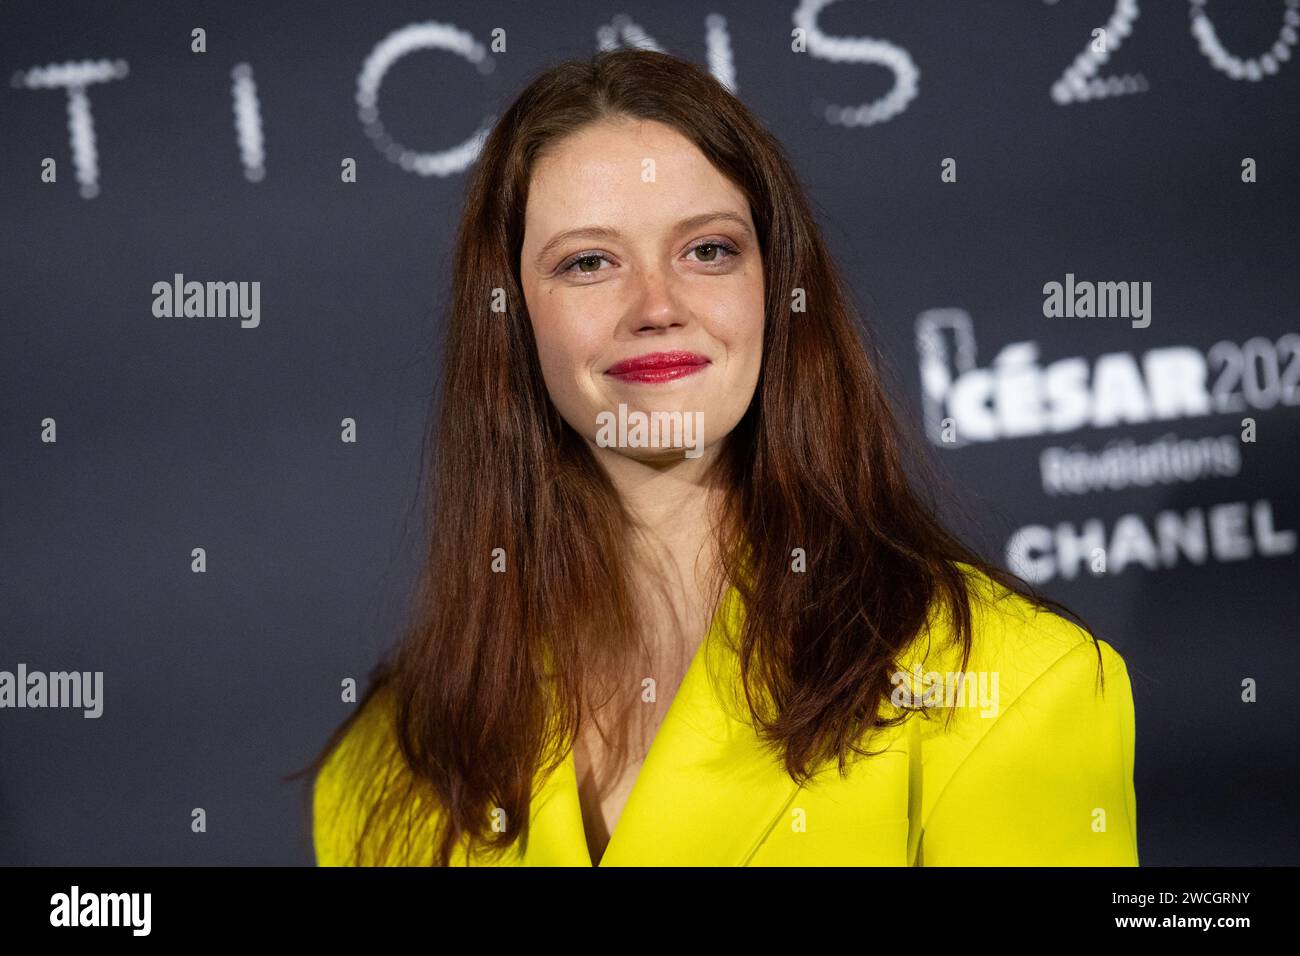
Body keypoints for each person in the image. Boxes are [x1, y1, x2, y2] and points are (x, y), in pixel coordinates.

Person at [305, 48, 1138, 867]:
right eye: (588, 262)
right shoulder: (388, 773)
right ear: (511, 319)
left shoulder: (1008, 684)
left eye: (708, 250)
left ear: (777, 288)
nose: (658, 306)